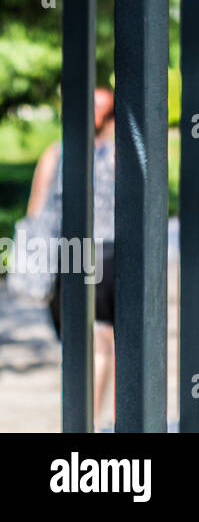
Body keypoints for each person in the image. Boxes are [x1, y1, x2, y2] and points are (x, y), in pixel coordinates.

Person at [26, 87, 116, 429]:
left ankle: (87, 423)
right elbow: (37, 212)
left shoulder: (61, 153)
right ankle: (96, 420)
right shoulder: (109, 153)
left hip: (92, 254)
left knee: (95, 342)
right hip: (87, 254)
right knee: (102, 342)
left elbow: (36, 211)